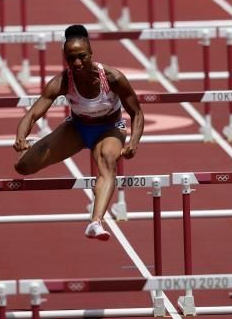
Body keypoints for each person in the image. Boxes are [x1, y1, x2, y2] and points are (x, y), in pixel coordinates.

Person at [13, 24, 144, 240]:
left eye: (82, 56)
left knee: (107, 161)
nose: (77, 63)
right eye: (71, 58)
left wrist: (133, 142)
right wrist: (20, 135)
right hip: (77, 128)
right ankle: (40, 144)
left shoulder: (112, 78)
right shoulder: (62, 81)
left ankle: (95, 222)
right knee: (24, 167)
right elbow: (33, 113)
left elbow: (137, 113)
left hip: (109, 129)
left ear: (91, 53)